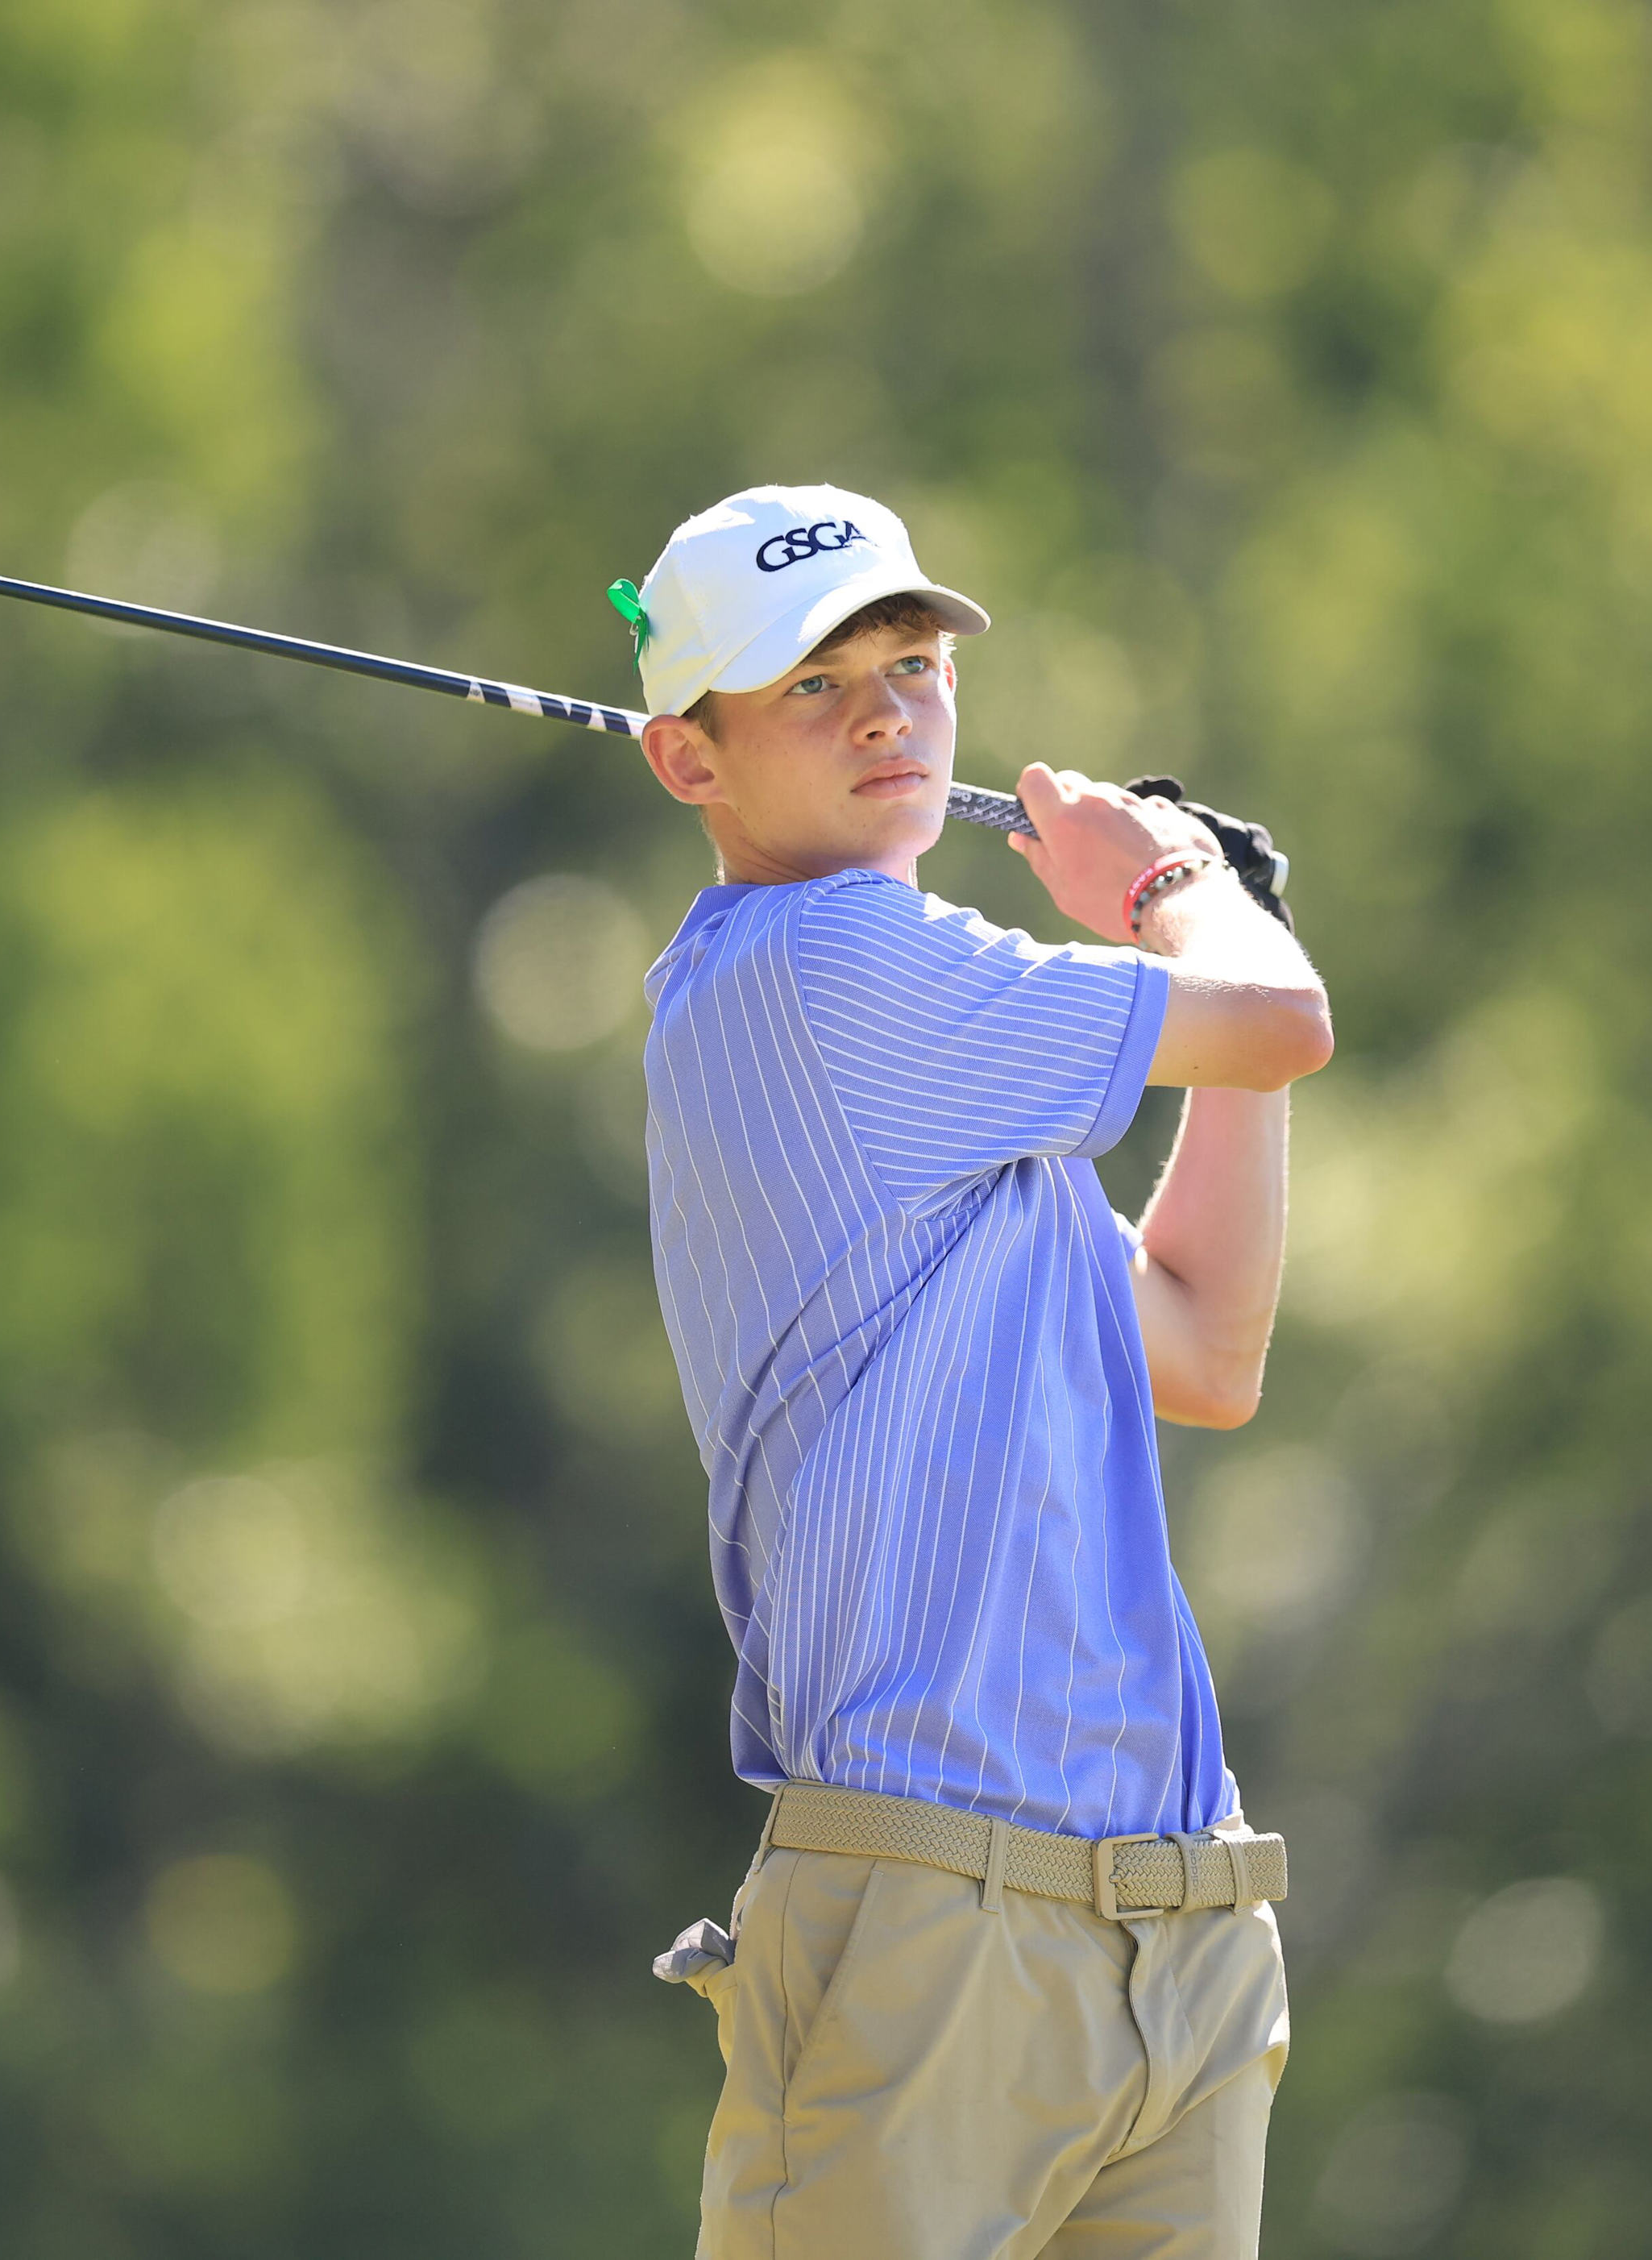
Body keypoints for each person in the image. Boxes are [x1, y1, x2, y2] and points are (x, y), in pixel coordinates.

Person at [616, 483, 1335, 2260]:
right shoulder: (822, 970)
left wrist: (1209, 917)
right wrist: (1172, 891)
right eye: (811, 684)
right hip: (939, 1912)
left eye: (914, 665)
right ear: (686, 761)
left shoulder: (966, 1079)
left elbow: (1202, 1342)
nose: (887, 713)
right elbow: (1283, 1018)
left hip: (1173, 1916)